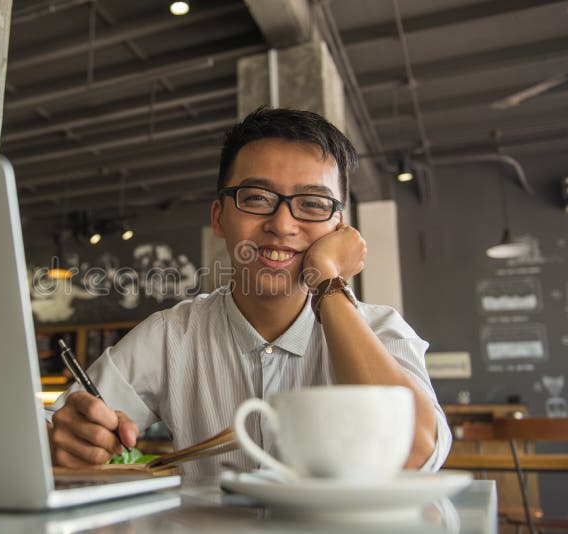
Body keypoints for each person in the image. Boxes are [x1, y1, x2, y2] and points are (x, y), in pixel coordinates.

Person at [47, 108, 452, 475]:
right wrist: (69, 439)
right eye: (257, 198)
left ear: (339, 227)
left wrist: (329, 283)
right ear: (219, 217)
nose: (282, 223)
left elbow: (416, 453)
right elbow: (55, 432)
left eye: (312, 204)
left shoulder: (381, 329)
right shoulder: (171, 336)